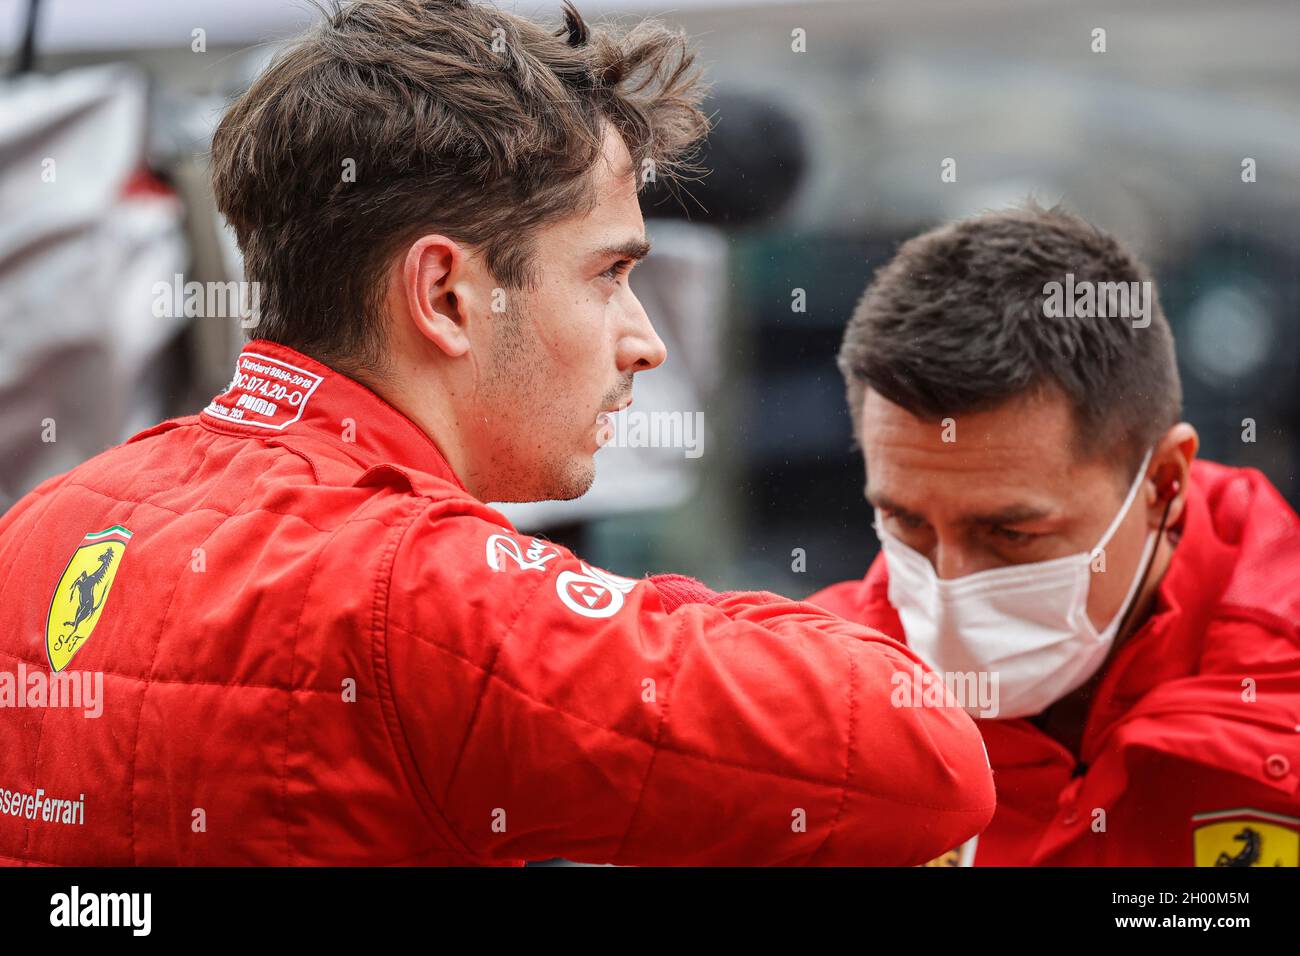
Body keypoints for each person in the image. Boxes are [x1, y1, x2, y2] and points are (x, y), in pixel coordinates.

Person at [0, 0, 993, 866]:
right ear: (445, 295)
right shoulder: (425, 598)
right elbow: (925, 761)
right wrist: (643, 609)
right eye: (608, 274)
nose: (643, 341)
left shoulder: (40, 527)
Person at [810, 202, 1300, 866]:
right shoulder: (813, 706)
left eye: (1010, 533)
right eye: (908, 523)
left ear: (1162, 485)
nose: (950, 586)